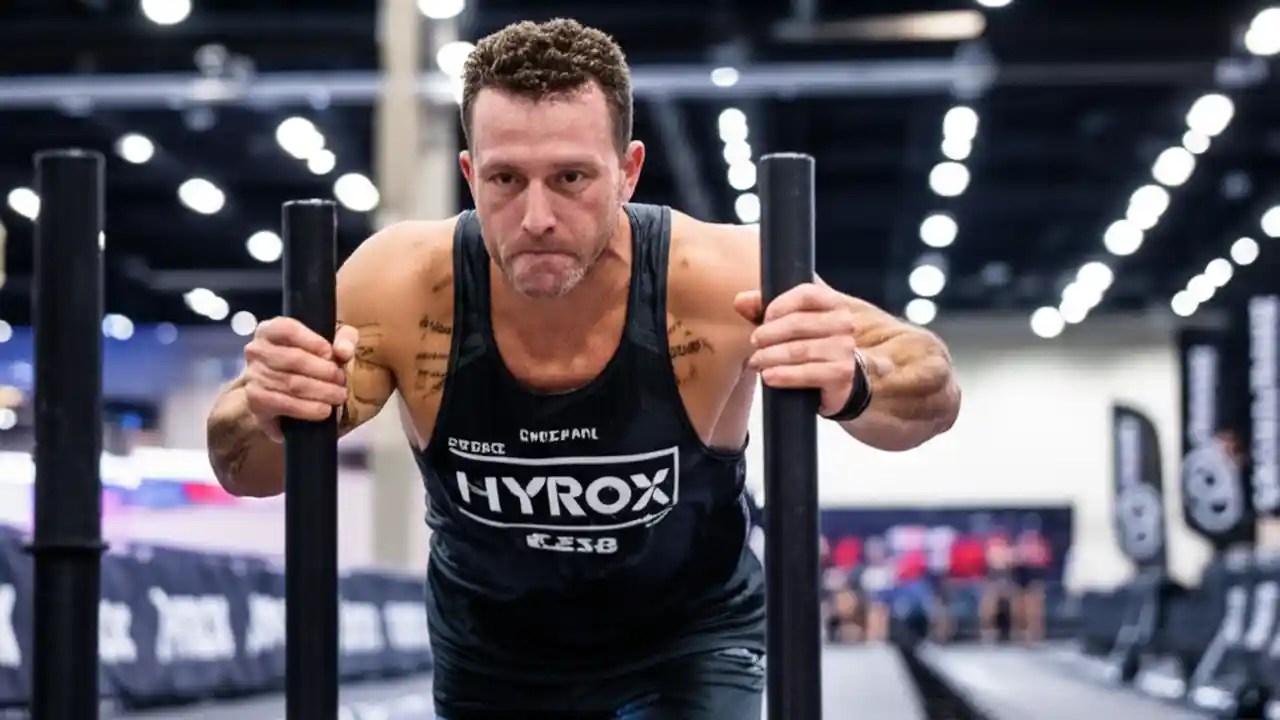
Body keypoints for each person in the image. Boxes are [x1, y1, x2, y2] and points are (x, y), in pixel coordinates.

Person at [204, 18, 961, 719]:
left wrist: (854, 376)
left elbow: (929, 385)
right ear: (469, 174)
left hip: (689, 643)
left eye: (571, 178)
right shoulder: (402, 283)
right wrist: (271, 401)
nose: (536, 216)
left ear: (628, 171)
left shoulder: (714, 276)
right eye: (505, 180)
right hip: (491, 655)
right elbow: (246, 464)